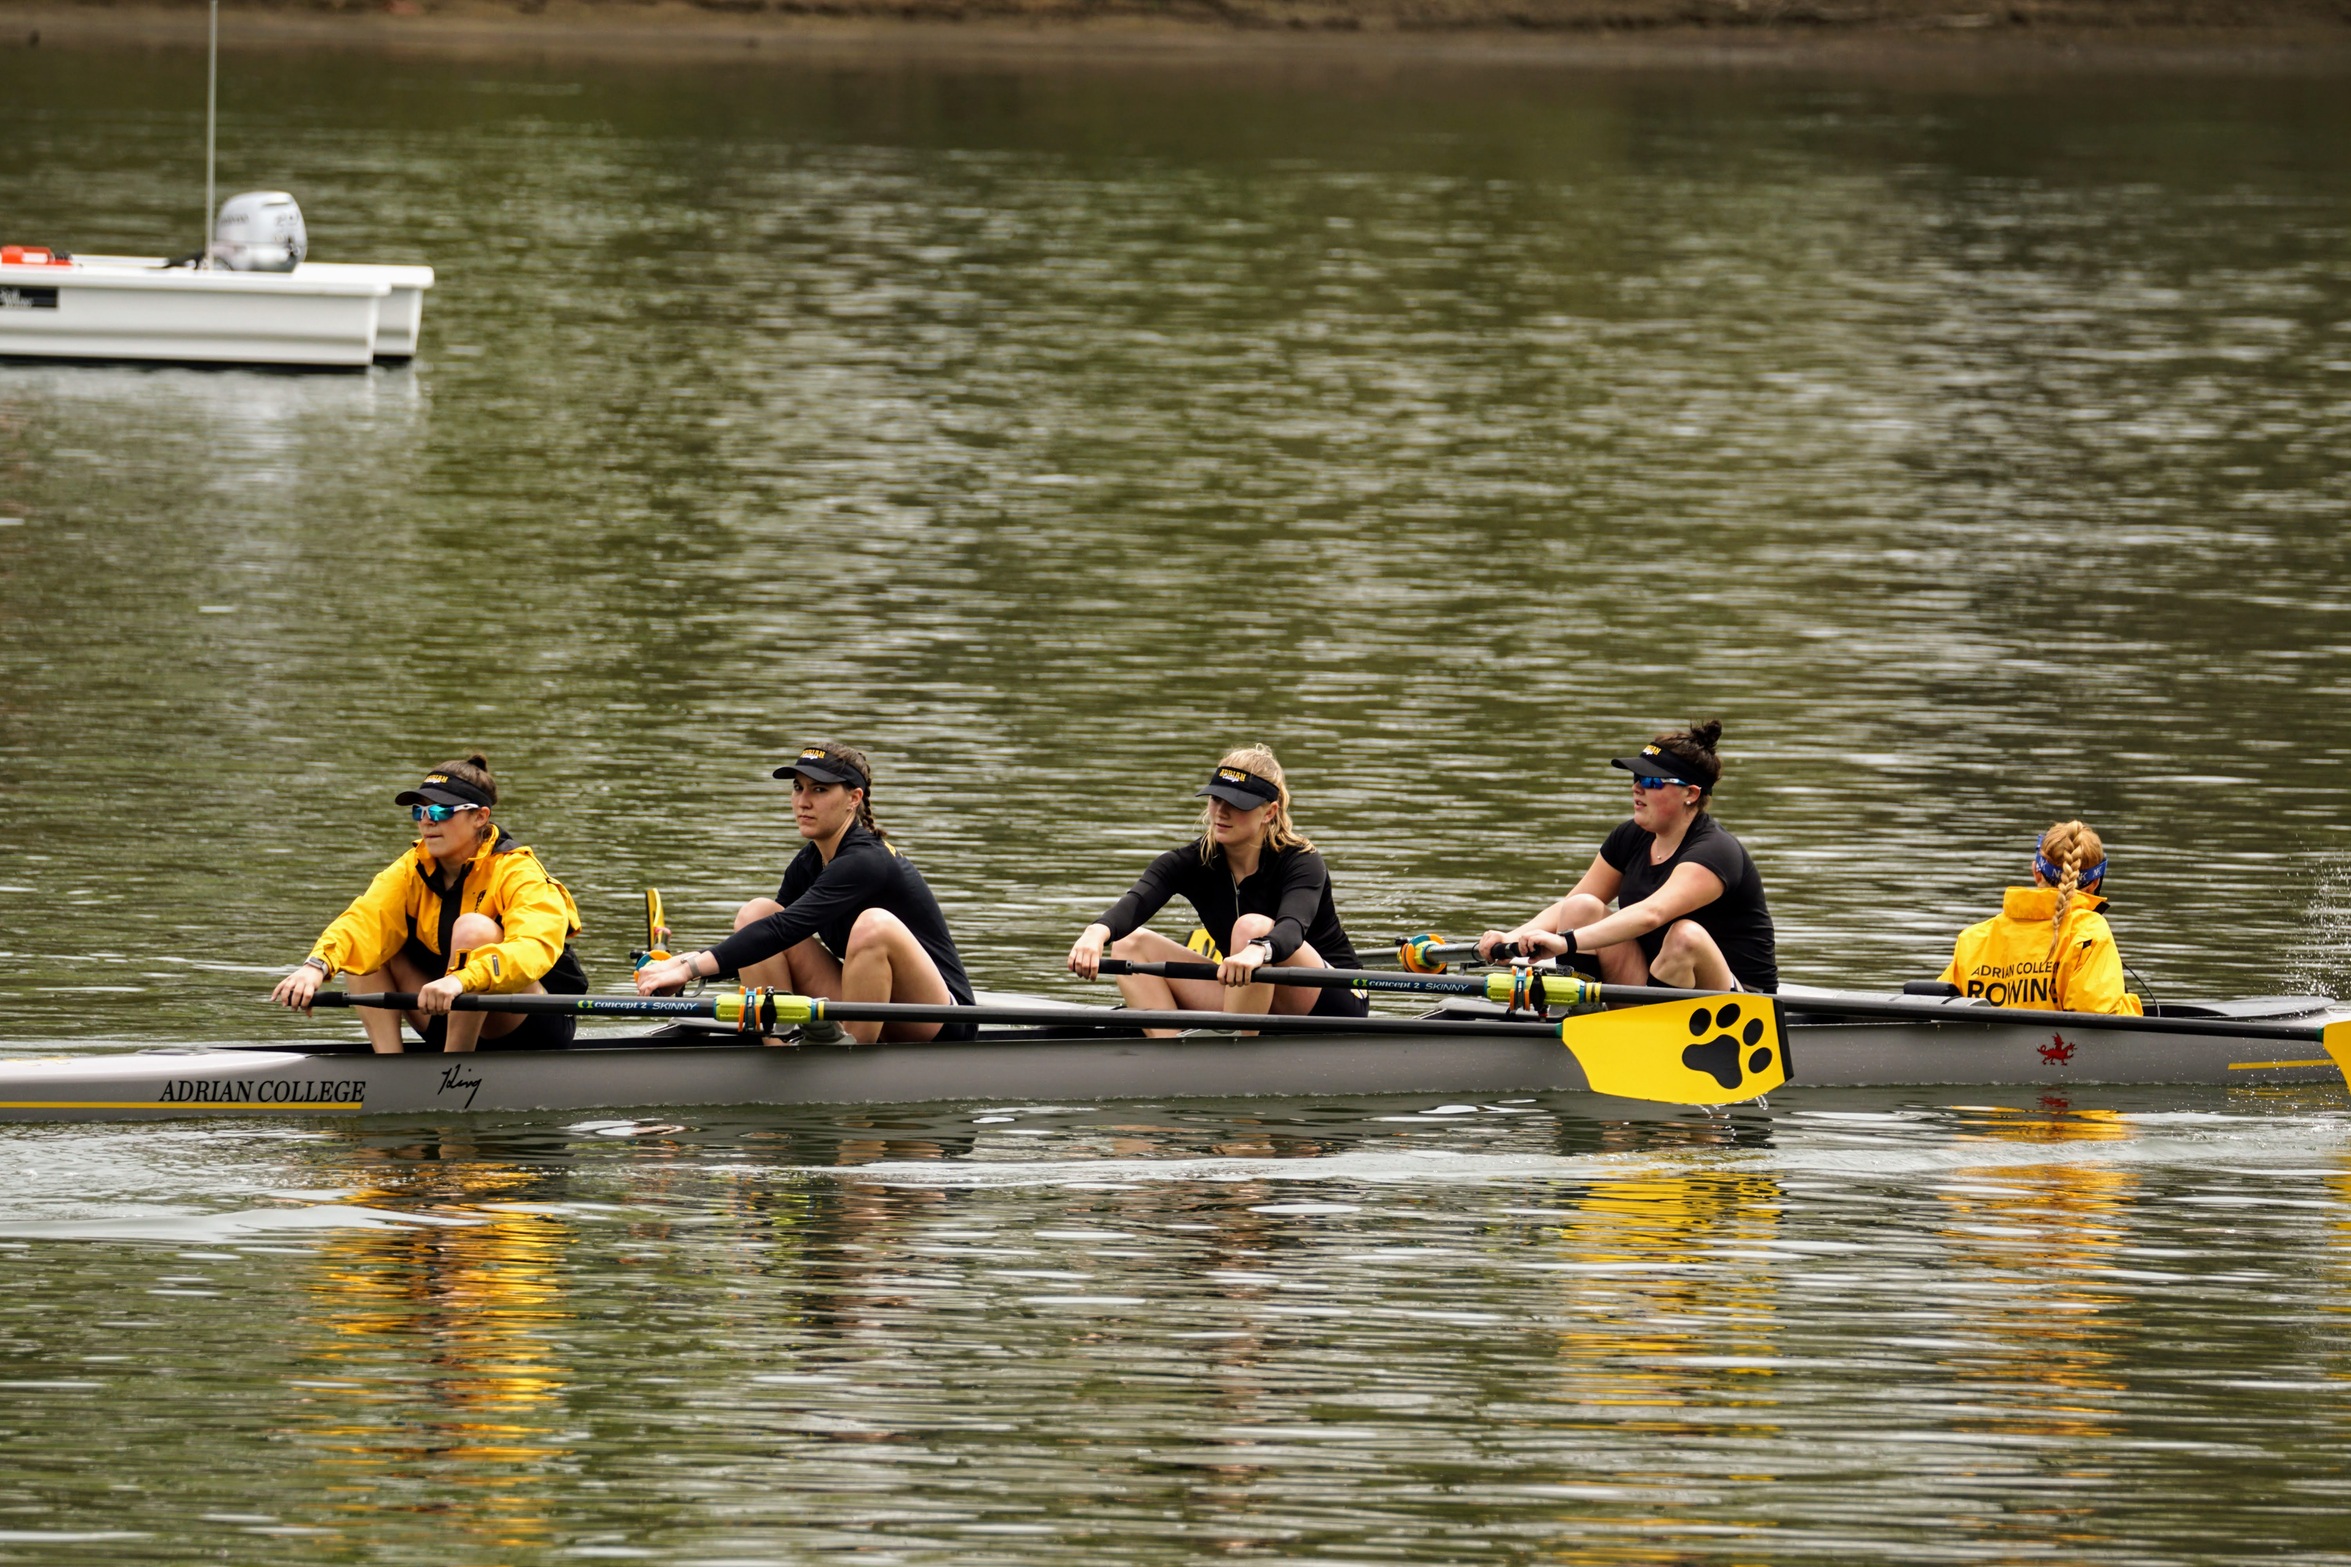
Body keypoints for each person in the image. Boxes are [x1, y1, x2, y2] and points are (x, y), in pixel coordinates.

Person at [634, 742, 976, 1043]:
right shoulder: (809, 862)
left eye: (819, 790)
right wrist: (680, 963)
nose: (803, 801)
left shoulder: (866, 861)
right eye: (798, 788)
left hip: (938, 1017)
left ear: (853, 799)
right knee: (756, 913)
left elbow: (783, 930)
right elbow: (764, 938)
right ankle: (778, 1051)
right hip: (874, 1007)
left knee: (874, 924)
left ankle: (849, 1063)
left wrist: (689, 969)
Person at [269, 756, 588, 1052]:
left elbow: (533, 949)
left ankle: (453, 1071)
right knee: (370, 946)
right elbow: (364, 920)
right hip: (445, 1010)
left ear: (480, 816)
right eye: (418, 812)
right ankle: (389, 1068)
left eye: (439, 812)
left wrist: (462, 980)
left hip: (529, 1024)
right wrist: (316, 967)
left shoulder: (517, 871)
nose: (426, 822)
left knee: (472, 928)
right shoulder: (410, 868)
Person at [1067, 745, 1367, 1036]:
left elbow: (1292, 927)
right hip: (1247, 990)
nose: (1221, 812)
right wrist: (1095, 933)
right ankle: (1172, 1061)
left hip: (1332, 995)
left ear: (1269, 812)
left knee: (1251, 926)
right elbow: (1136, 901)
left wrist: (1258, 949)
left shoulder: (1301, 860)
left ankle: (1236, 1056)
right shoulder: (1192, 861)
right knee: (1129, 944)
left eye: (1237, 804)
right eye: (1216, 800)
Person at [1479, 718, 1778, 993]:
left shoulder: (1716, 851)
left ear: (1691, 794)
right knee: (1580, 908)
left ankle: (1650, 1037)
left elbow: (1652, 915)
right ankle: (1585, 1020)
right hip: (1656, 986)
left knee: (1685, 936)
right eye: (1637, 776)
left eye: (1652, 781)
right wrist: (1512, 937)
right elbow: (1569, 906)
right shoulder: (1630, 836)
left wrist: (1563, 942)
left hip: (1741, 1006)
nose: (1637, 787)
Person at [1939, 820, 2142, 1015]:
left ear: (2036, 871)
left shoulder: (1972, 939)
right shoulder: (2090, 934)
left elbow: (1937, 1004)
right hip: (2053, 1051)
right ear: (2094, 883)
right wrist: (2131, 1005)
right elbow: (2100, 1020)